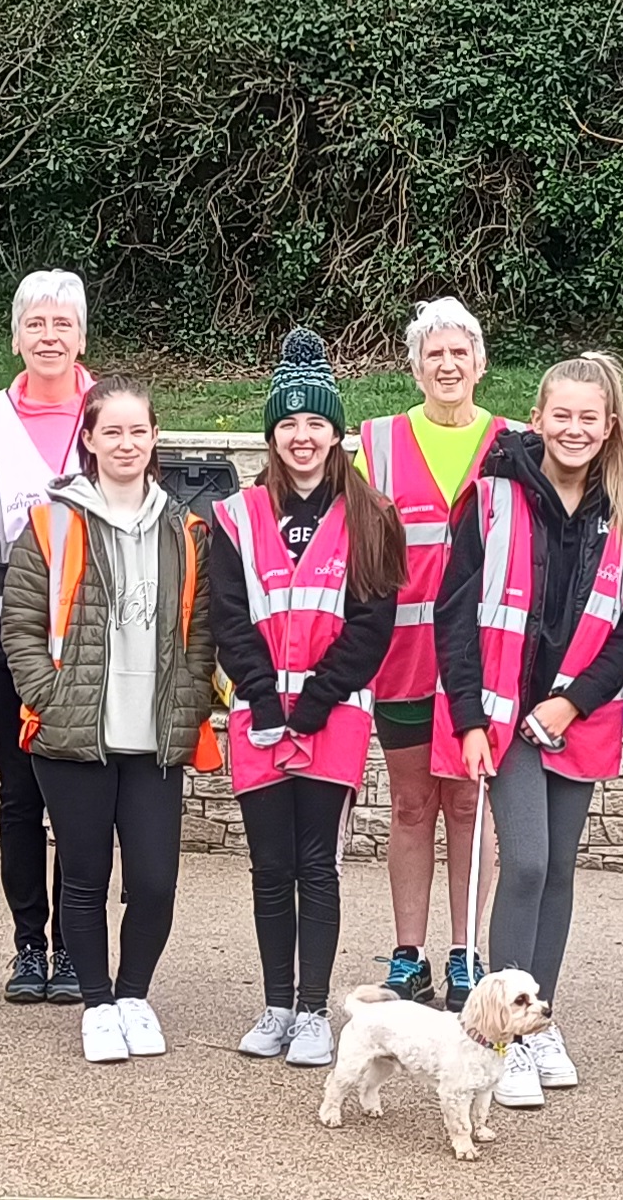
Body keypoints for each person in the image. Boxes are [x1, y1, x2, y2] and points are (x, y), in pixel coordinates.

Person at [435, 354, 623, 1109]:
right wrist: (468, 718)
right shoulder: (490, 494)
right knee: (524, 863)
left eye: (589, 417)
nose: (574, 428)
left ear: (609, 425)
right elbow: (454, 615)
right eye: (562, 414)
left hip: (574, 717)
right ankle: (502, 1036)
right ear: (538, 417)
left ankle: (537, 1023)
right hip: (502, 716)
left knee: (558, 869)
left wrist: (574, 701)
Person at [0, 376, 218, 1063]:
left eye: (137, 431)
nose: (126, 443)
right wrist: (51, 696)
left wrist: (191, 702)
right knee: (84, 878)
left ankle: (133, 995)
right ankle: (96, 1002)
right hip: (74, 735)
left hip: (154, 736)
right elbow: (19, 626)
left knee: (154, 882)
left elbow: (202, 632)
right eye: (111, 431)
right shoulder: (51, 524)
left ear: (154, 438)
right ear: (88, 440)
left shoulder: (187, 530)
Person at [209, 328, 403, 1070]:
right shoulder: (235, 515)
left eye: (316, 421)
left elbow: (372, 625)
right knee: (269, 866)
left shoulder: (369, 513)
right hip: (259, 715)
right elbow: (228, 619)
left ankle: (315, 1009)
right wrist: (263, 699)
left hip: (333, 713)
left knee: (317, 864)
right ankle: (276, 1006)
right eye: (287, 422)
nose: (301, 436)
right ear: (271, 434)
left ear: (335, 432)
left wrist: (314, 701)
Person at [355, 297, 509, 1013]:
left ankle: (466, 955)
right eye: (433, 355)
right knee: (412, 804)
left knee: (470, 805)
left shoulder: (513, 444)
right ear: (415, 369)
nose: (447, 365)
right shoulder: (380, 443)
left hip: (481, 665)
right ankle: (408, 955)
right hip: (404, 659)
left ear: (480, 362)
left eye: (458, 352)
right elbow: (356, 548)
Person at [0, 270, 94, 1004]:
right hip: (5, 626)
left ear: (81, 336)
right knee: (19, 788)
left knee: (80, 790)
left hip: (91, 631)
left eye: (61, 323)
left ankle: (74, 946)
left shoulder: (110, 412)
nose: (48, 336)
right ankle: (28, 946)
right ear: (15, 337)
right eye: (35, 324)